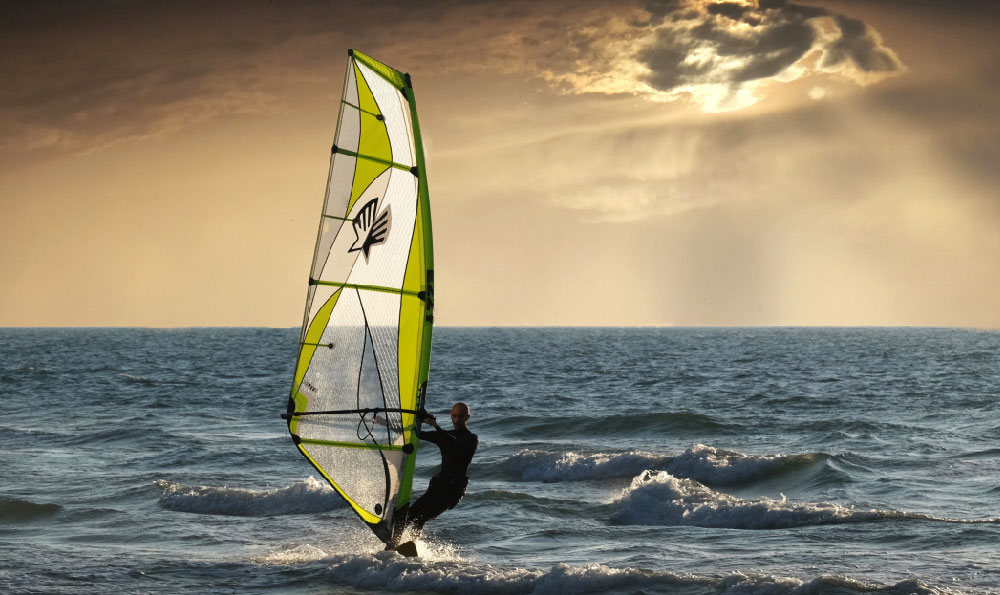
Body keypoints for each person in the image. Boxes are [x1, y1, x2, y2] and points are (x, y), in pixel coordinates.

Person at [394, 402, 478, 542]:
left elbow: (453, 444)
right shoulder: (444, 435)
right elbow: (416, 433)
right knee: (409, 516)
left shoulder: (471, 439)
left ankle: (412, 544)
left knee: (421, 517)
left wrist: (435, 426)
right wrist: (384, 422)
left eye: (461, 416)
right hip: (438, 486)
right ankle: (394, 542)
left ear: (467, 417)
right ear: (451, 416)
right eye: (454, 416)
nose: (457, 420)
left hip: (453, 490)